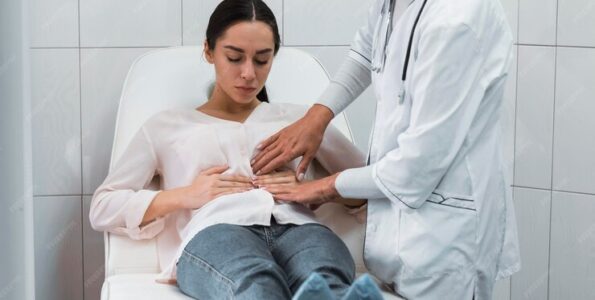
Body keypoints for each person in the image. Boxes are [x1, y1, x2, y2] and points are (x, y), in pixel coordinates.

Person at [90, 1, 386, 299]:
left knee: (324, 279)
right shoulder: (166, 126)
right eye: (234, 58)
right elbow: (104, 206)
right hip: (217, 232)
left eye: (262, 60)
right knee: (257, 286)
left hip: (301, 228)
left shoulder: (301, 121)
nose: (248, 74)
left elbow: (374, 186)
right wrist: (187, 195)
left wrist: (311, 188)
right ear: (208, 51)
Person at [251, 0, 522, 299]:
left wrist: (322, 188)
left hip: (445, 240)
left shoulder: (457, 19)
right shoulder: (391, 4)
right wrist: (318, 116)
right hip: (393, 236)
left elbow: (417, 167)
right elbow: (366, 52)